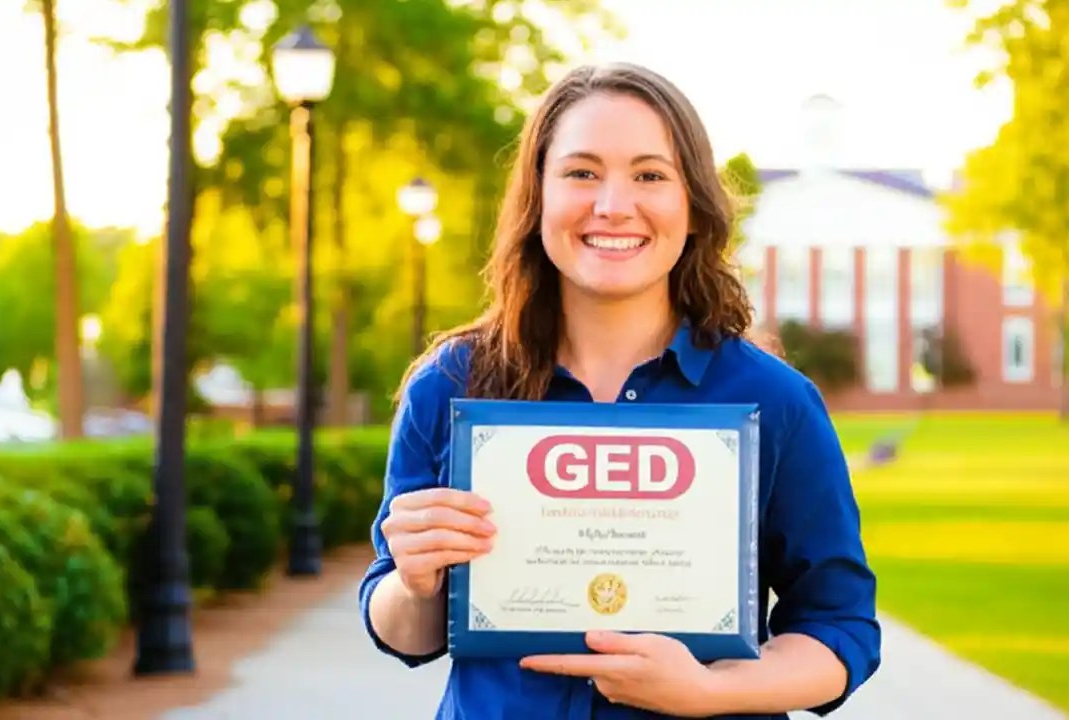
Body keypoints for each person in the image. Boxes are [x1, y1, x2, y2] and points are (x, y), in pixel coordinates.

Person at [357, 62, 880, 719]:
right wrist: (413, 581)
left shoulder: (774, 402)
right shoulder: (449, 385)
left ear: (692, 206)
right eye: (580, 172)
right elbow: (402, 631)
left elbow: (841, 628)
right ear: (537, 197)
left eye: (649, 175)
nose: (612, 204)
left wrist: (711, 690)